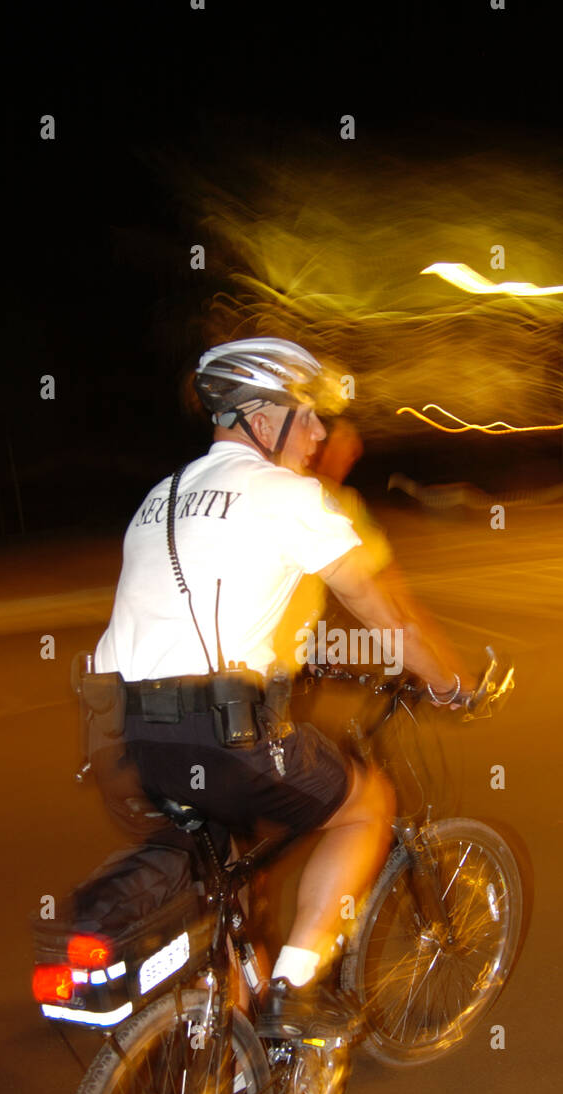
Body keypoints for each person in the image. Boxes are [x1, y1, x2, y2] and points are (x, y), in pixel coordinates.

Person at [93, 337, 477, 1038]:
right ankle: (295, 991)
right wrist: (452, 683)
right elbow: (384, 611)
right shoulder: (285, 495)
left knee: (233, 881)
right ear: (261, 421)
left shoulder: (158, 497)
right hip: (232, 737)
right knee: (367, 805)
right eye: (307, 416)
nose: (322, 433)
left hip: (145, 741)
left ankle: (233, 1063)